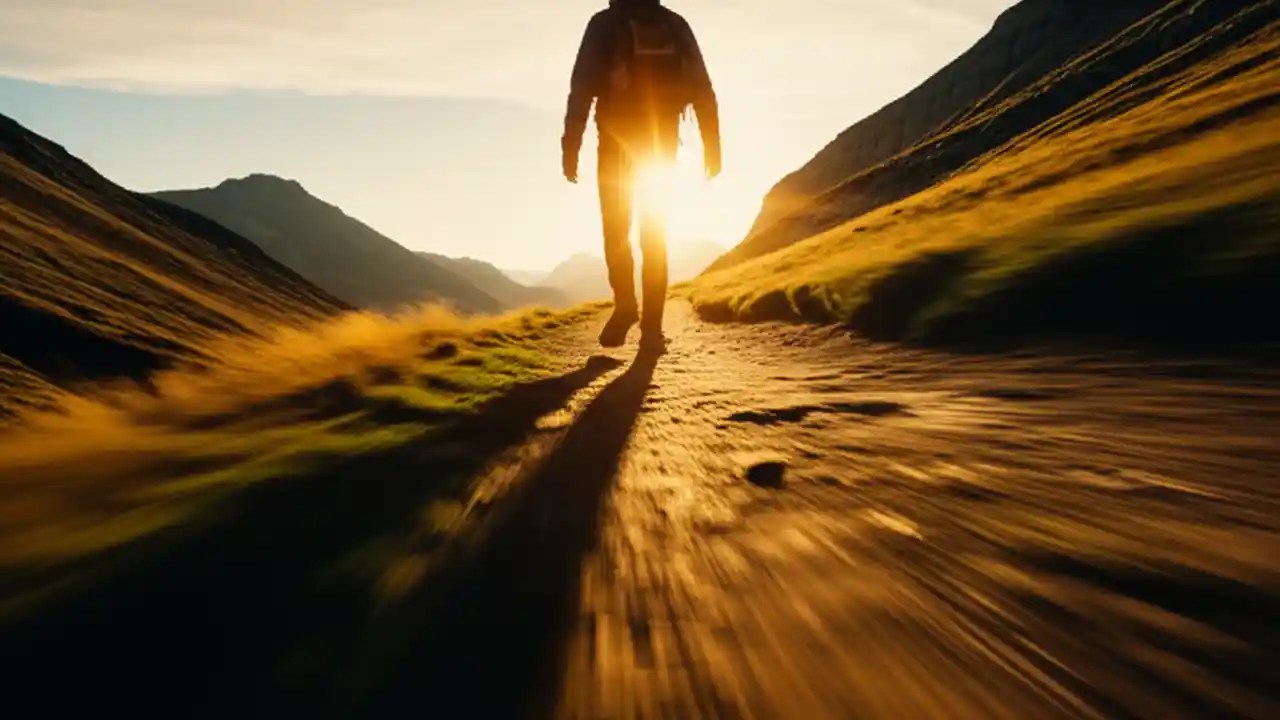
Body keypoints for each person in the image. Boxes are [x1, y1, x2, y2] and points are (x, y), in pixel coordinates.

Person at [562, 0, 721, 350]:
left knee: (616, 231)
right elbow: (702, 87)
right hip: (661, 145)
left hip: (615, 145)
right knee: (655, 236)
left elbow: (581, 87)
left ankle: (625, 307)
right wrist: (712, 144)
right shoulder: (674, 24)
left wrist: (570, 145)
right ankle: (652, 331)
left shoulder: (604, 23)